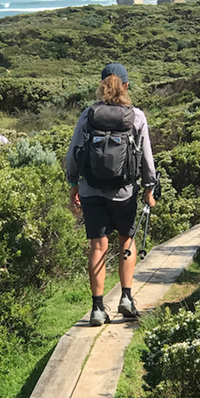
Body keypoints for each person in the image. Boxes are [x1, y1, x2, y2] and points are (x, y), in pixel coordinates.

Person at [66, 63, 156, 326]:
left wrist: (74, 185)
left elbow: (73, 154)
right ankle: (126, 298)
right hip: (124, 191)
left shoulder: (89, 114)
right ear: (126, 86)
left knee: (98, 245)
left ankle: (96, 308)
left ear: (102, 84)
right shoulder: (136, 116)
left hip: (91, 190)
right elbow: (147, 157)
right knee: (126, 240)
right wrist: (149, 189)